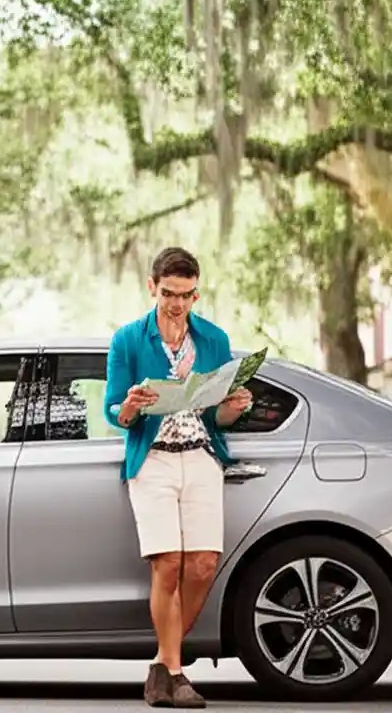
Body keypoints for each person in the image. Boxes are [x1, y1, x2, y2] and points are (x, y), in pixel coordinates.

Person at [104, 246, 252, 709]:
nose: (177, 303)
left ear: (196, 294)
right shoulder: (129, 339)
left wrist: (230, 410)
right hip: (154, 460)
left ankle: (160, 664)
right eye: (169, 293)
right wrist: (129, 407)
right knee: (167, 564)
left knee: (204, 564)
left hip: (202, 456)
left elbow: (220, 419)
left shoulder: (213, 339)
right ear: (153, 287)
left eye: (187, 295)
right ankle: (176, 673)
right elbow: (113, 410)